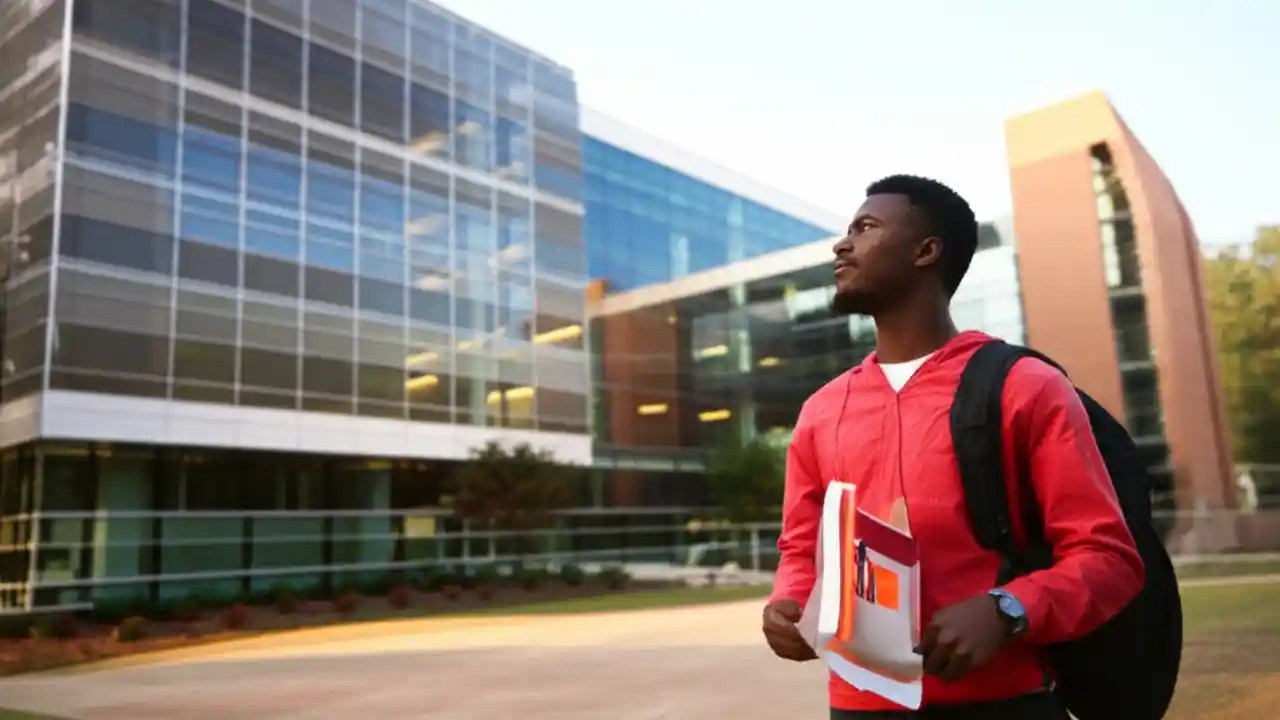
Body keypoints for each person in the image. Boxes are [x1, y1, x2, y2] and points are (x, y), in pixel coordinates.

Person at [761, 175, 1145, 719]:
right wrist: (790, 602)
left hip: (1004, 701)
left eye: (866, 228)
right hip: (856, 707)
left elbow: (1109, 559)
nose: (842, 244)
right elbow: (802, 548)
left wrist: (1007, 609)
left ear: (927, 251)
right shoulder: (821, 410)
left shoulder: (1024, 385)